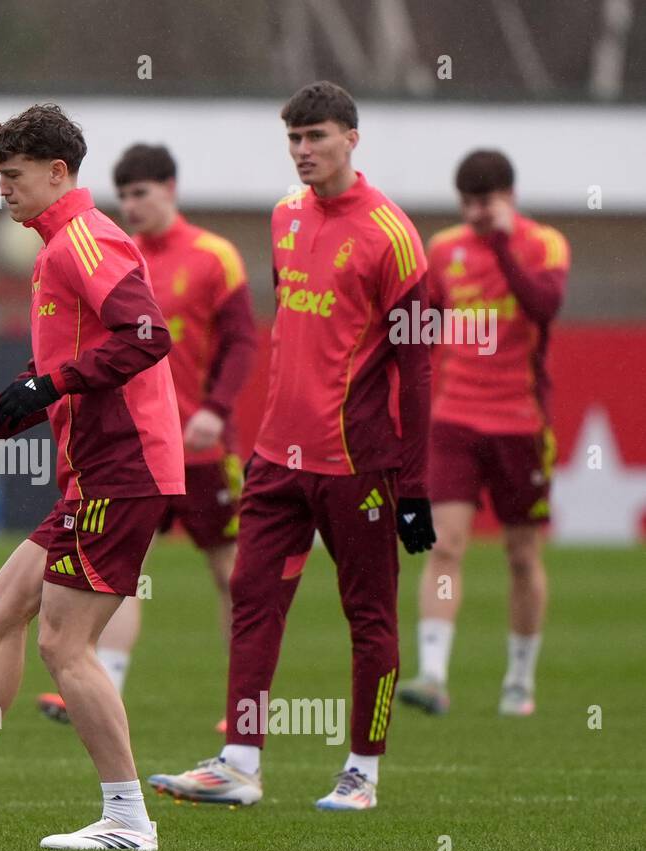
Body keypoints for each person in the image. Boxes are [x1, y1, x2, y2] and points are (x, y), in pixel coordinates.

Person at [0, 103, 185, 851]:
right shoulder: (59, 248)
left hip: (123, 470)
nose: (3, 191)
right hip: (98, 473)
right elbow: (42, 380)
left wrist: (50, 389)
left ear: (58, 173)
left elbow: (148, 333)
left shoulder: (83, 239)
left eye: (13, 176)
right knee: (3, 606)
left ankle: (127, 819)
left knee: (64, 643)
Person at [149, 81, 435, 811]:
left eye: (318, 138)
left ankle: (363, 772)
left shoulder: (394, 236)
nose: (304, 152)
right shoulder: (282, 216)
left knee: (368, 616)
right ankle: (240, 761)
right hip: (276, 458)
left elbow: (417, 367)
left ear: (352, 139)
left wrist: (417, 482)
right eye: (294, 140)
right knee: (252, 599)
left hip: (359, 466)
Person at [34, 143, 256, 734]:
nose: (131, 205)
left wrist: (216, 409)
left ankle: (241, 704)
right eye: (124, 194)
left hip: (205, 449)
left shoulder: (215, 257)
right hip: (134, 451)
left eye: (143, 193)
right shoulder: (112, 252)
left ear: (171, 189)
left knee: (229, 573)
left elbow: (242, 344)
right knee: (119, 574)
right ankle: (99, 682)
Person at [400, 150, 570, 717]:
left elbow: (543, 307)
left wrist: (501, 246)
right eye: (467, 203)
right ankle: (433, 674)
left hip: (521, 421)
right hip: (455, 417)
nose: (474, 213)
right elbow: (425, 325)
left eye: (485, 202)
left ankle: (520, 677)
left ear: (508, 197)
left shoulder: (543, 244)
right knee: (445, 544)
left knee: (522, 554)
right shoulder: (445, 248)